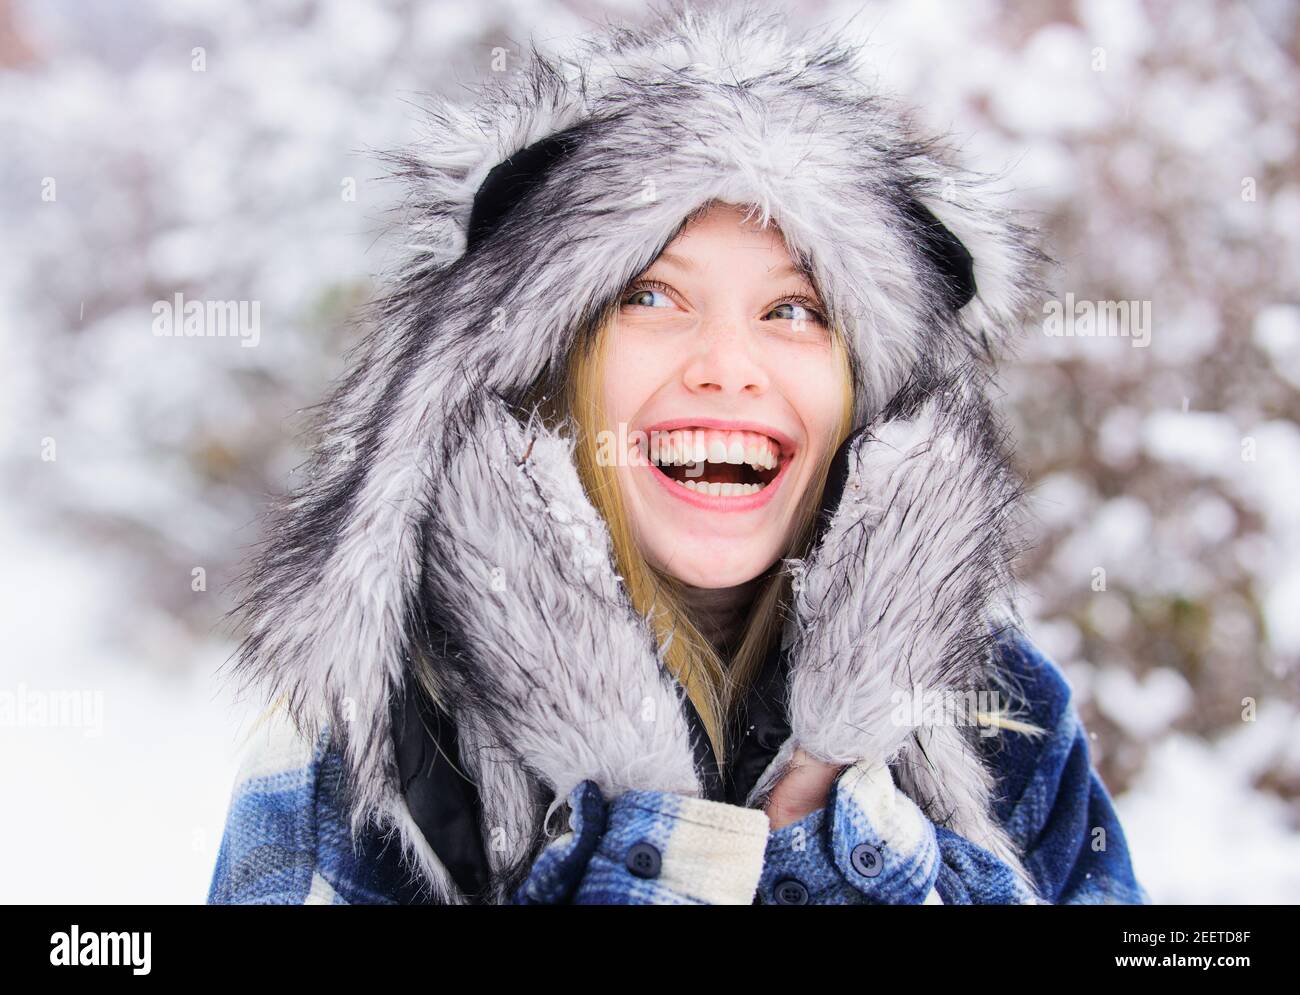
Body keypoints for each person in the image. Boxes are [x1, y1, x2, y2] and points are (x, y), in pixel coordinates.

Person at [207, 0, 1149, 905]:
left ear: (868, 394)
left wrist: (832, 833)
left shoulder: (1006, 722)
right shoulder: (381, 747)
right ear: (542, 361)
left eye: (795, 310)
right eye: (653, 296)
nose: (729, 368)